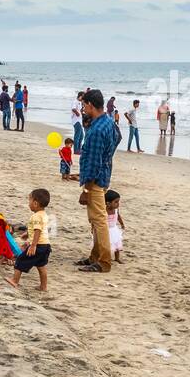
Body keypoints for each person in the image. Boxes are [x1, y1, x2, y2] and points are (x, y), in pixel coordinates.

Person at [76, 89, 115, 273]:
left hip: (95, 181)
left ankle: (104, 261)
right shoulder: (108, 122)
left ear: (91, 105)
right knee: (95, 219)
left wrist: (86, 190)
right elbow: (116, 142)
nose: (83, 109)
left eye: (84, 105)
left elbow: (93, 162)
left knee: (99, 221)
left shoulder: (97, 130)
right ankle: (95, 256)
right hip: (104, 175)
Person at [6, 189, 52, 290]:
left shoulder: (35, 216)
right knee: (41, 266)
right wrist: (28, 234)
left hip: (38, 245)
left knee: (20, 260)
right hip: (46, 245)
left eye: (29, 201)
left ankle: (14, 281)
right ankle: (43, 286)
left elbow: (37, 230)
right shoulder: (44, 214)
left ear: (35, 203)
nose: (29, 204)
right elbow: (41, 229)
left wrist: (33, 245)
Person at [106, 189, 126, 263]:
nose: (118, 204)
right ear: (108, 203)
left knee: (117, 245)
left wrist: (122, 223)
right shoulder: (105, 210)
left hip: (114, 229)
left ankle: (117, 258)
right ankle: (106, 258)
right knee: (108, 245)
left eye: (118, 201)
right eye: (116, 202)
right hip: (106, 230)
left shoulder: (116, 210)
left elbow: (118, 216)